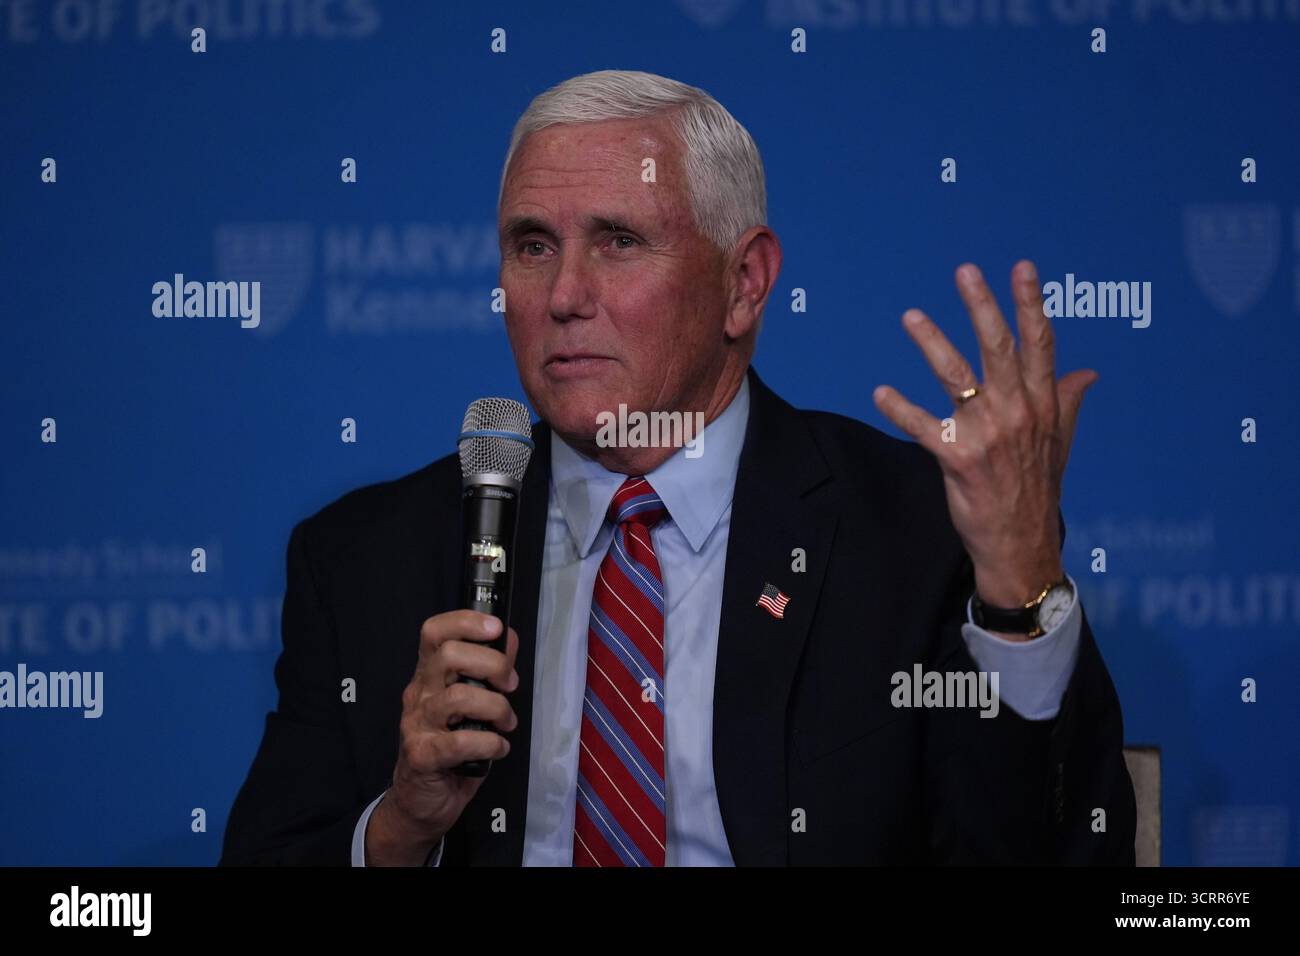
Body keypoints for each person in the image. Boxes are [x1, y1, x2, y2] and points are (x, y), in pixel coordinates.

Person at [220, 69, 1135, 866]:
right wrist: (399, 831)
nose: (566, 296)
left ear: (745, 284)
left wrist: (1019, 592)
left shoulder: (919, 535)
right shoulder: (364, 559)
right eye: (533, 245)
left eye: (619, 240)